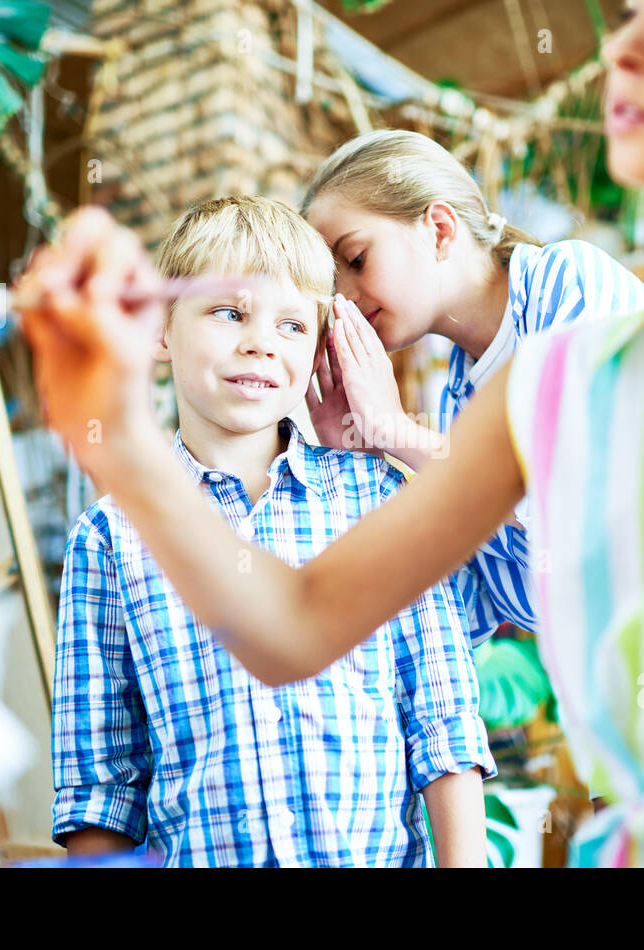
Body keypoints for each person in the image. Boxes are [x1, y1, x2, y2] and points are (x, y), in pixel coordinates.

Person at [19, 0, 644, 866]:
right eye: (634, 8)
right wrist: (112, 432)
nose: (624, 43)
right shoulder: (550, 384)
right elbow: (291, 628)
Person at [49, 196, 495, 867]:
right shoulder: (109, 539)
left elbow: (443, 724)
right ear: (161, 331)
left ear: (321, 347)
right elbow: (101, 788)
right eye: (229, 311)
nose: (260, 341)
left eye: (292, 324)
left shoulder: (379, 496)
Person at [302, 129, 644, 641]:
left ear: (440, 229)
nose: (345, 301)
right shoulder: (454, 411)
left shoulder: (570, 284)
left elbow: (577, 498)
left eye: (356, 260)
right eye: (333, 288)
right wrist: (353, 461)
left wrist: (395, 429)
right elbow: (457, 616)